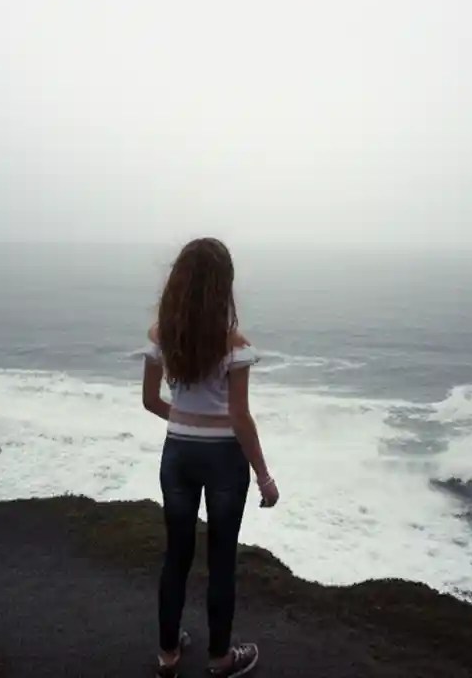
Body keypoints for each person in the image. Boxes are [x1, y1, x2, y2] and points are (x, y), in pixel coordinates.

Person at [139, 237, 279, 678]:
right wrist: (264, 476)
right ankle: (220, 660)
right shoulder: (234, 344)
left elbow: (149, 401)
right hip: (224, 462)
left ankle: (168, 654)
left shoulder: (163, 334)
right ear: (223, 286)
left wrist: (183, 420)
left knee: (176, 555)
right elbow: (240, 418)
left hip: (177, 454)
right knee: (221, 559)